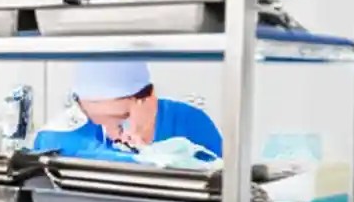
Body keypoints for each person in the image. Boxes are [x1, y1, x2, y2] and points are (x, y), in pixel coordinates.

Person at [33, 61, 223, 160]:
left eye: (120, 120)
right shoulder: (58, 137)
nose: (111, 134)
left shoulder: (189, 123)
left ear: (149, 98)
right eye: (94, 119)